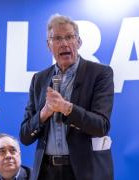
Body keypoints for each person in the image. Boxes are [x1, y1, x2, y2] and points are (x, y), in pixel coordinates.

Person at [20, 14, 114, 180]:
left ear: (78, 42)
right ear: (48, 45)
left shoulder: (100, 74)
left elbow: (101, 126)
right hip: (46, 172)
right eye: (56, 38)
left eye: (69, 37)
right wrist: (45, 113)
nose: (64, 43)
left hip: (85, 171)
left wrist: (66, 108)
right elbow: (25, 136)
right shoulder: (39, 79)